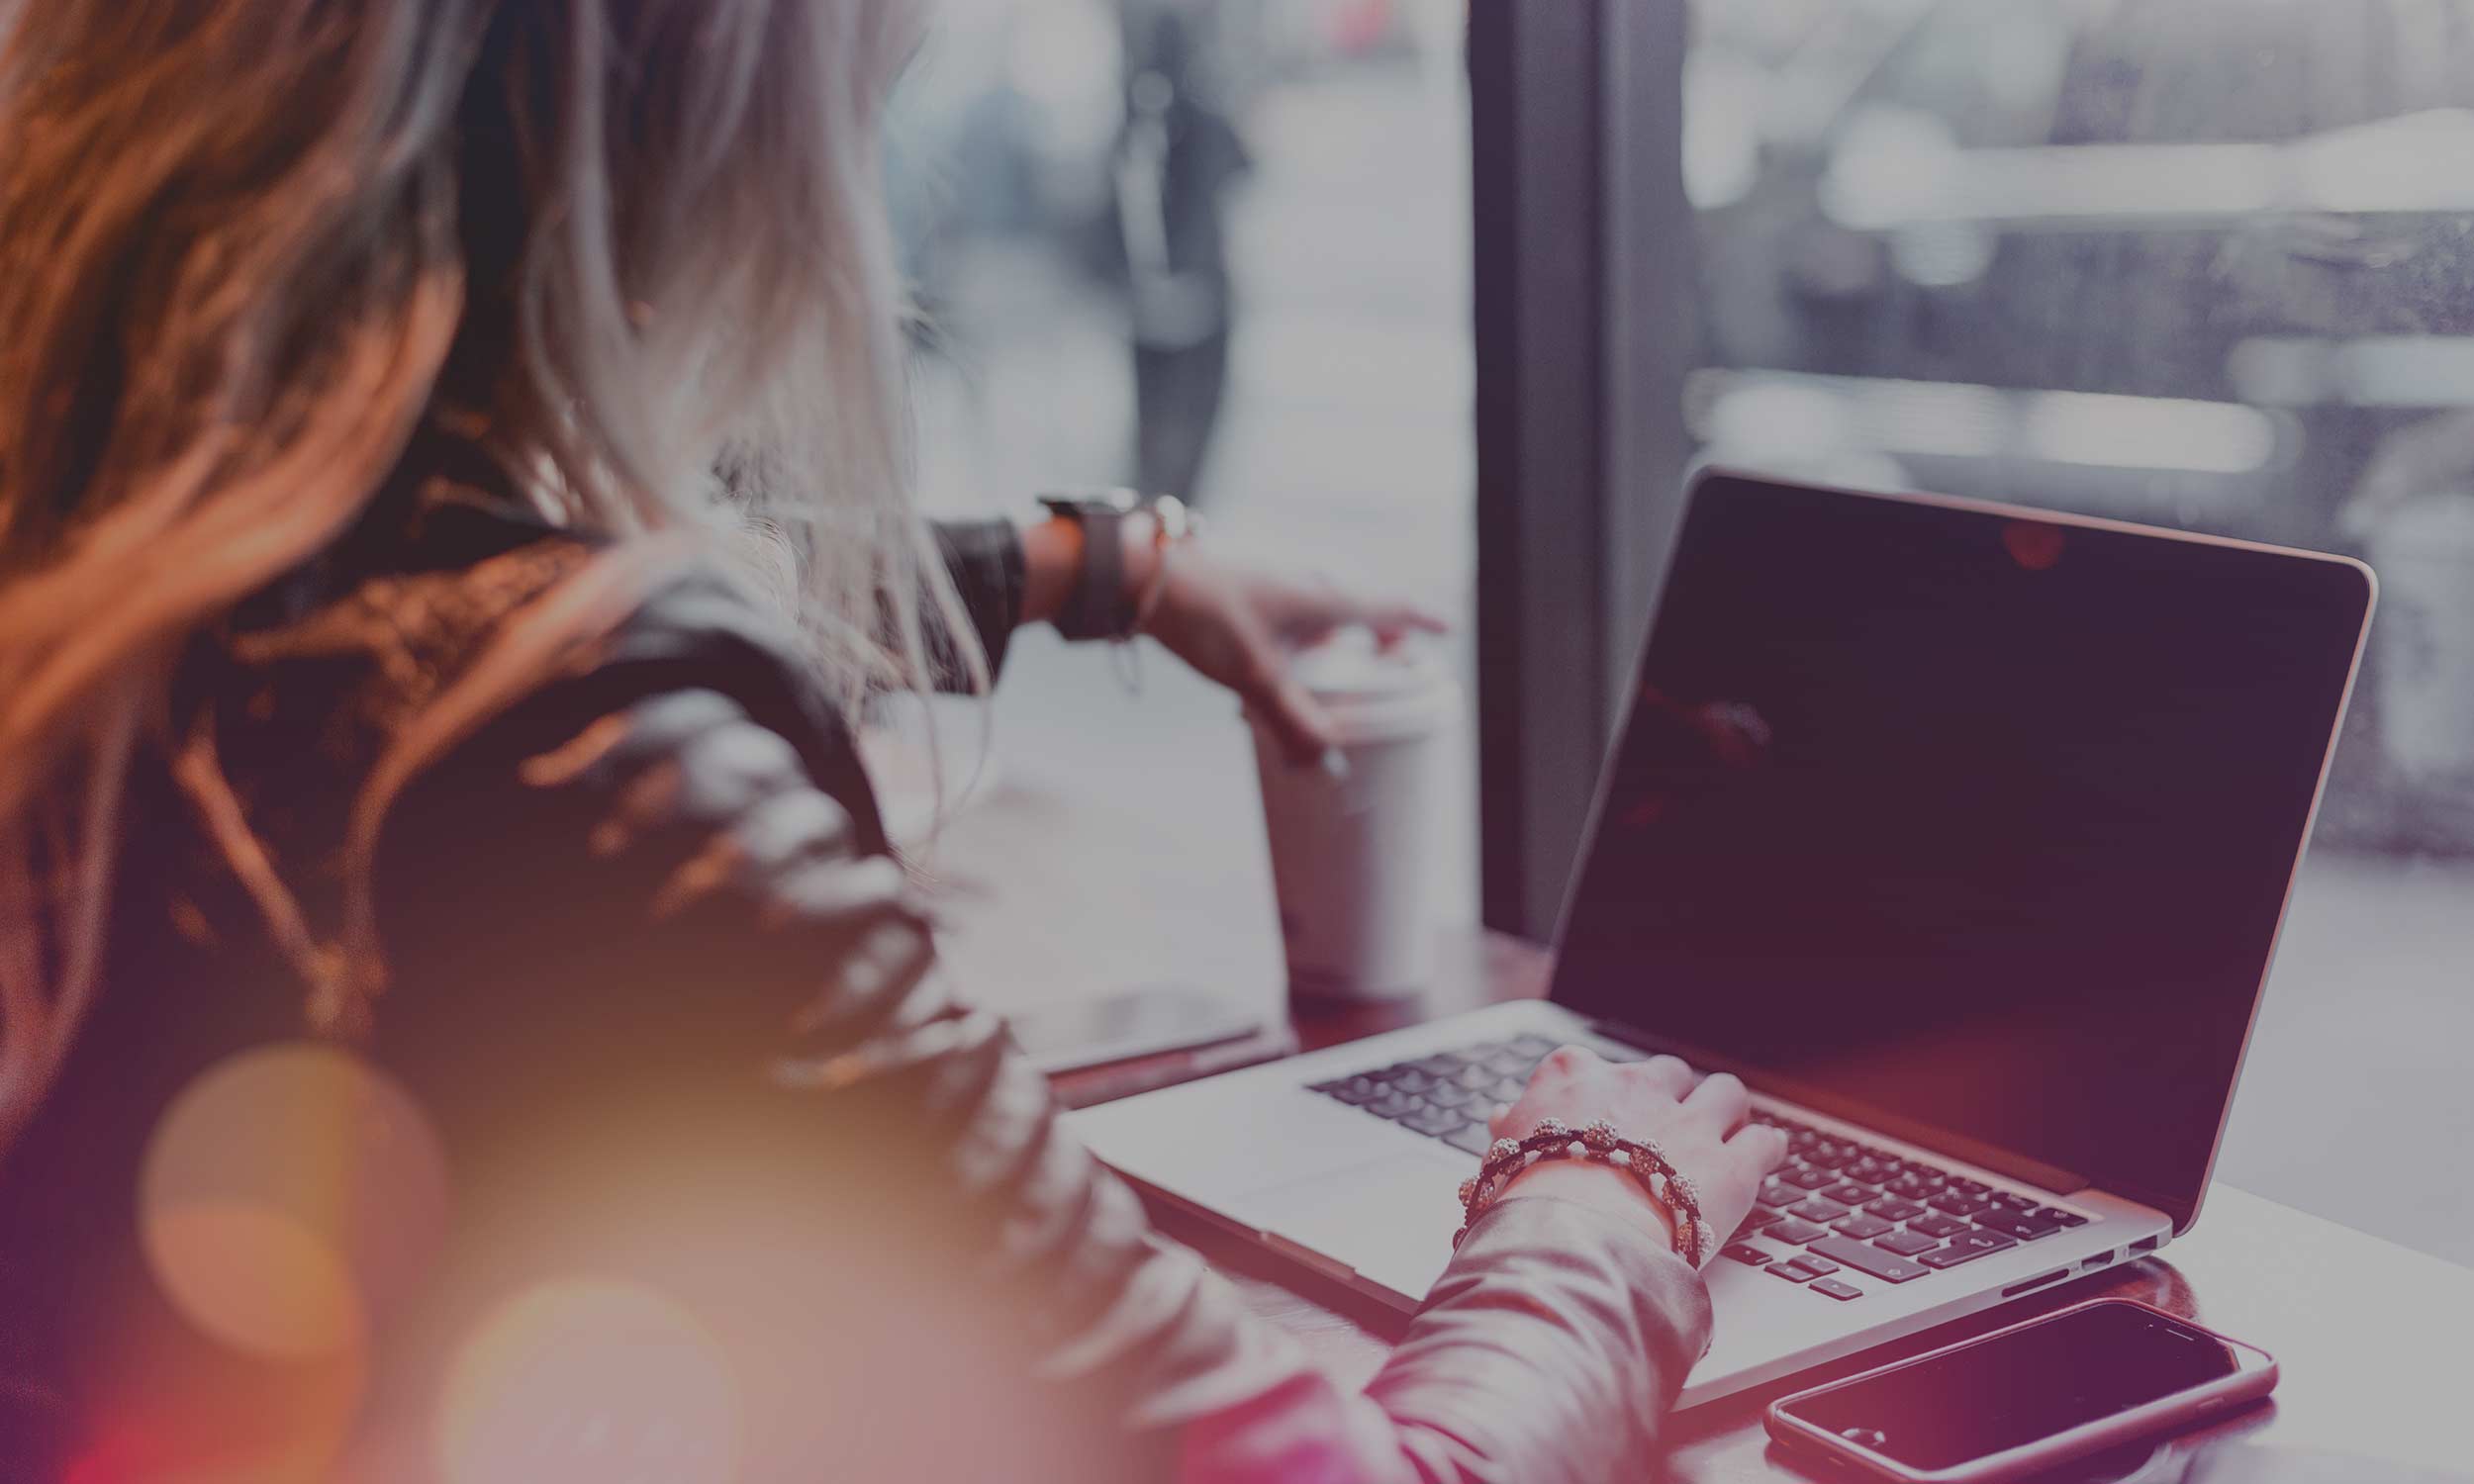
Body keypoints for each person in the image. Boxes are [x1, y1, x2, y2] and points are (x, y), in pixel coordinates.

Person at [0, 2, 1786, 1479]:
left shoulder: (105, 551)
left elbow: (422, 582)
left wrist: (1098, 566)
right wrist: (1593, 1217)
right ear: (684, 116)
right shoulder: (589, 769)